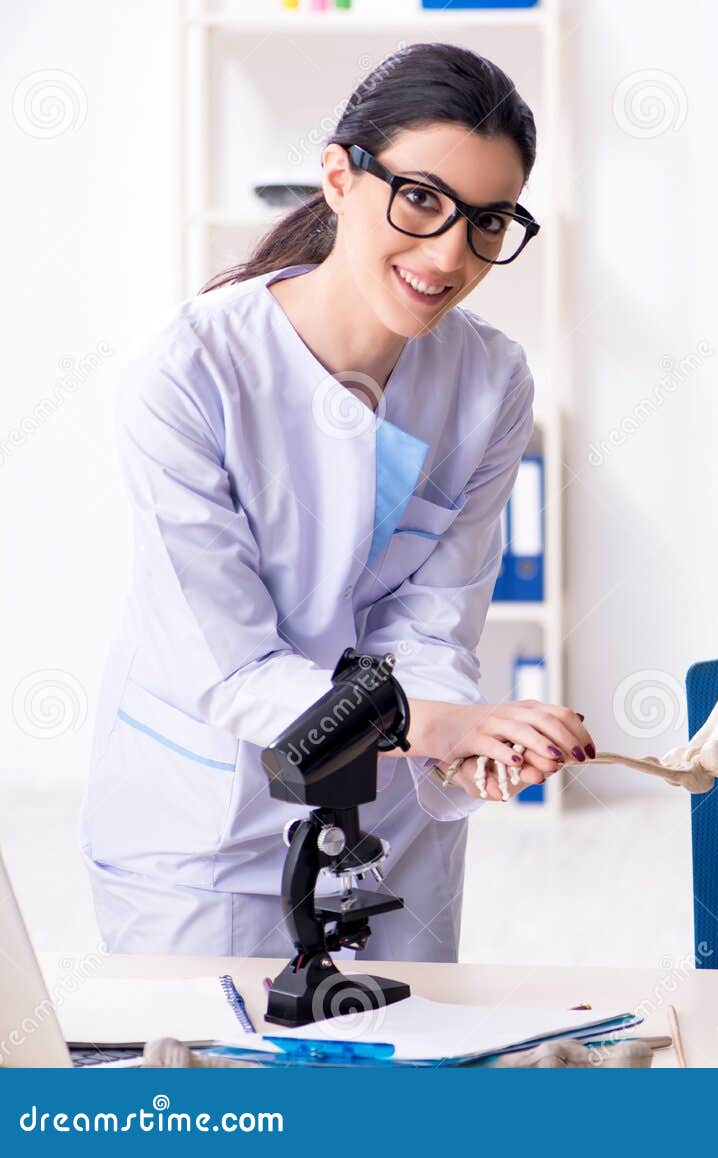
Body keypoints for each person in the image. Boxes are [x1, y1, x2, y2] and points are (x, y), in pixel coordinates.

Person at [79, 44, 592, 963]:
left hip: (390, 828)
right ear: (339, 177)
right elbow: (231, 667)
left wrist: (468, 742)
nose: (449, 255)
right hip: (207, 828)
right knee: (216, 1053)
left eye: (488, 221)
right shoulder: (191, 372)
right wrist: (440, 724)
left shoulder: (489, 379)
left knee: (413, 1050)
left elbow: (434, 621)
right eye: (422, 199)